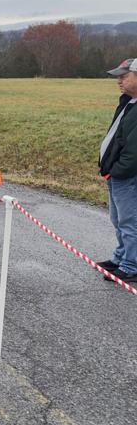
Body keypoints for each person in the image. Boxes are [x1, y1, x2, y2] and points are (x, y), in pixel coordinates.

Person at [98, 58, 137, 283]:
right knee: (117, 219)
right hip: (116, 175)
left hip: (127, 176)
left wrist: (118, 171)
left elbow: (133, 152)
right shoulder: (127, 102)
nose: (119, 81)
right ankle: (121, 257)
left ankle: (131, 266)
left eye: (124, 76)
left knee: (129, 221)